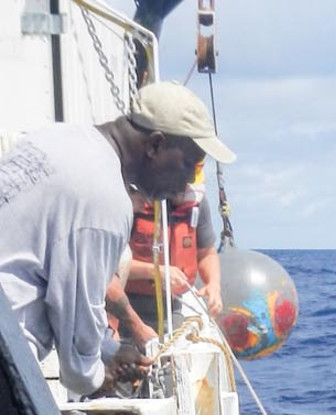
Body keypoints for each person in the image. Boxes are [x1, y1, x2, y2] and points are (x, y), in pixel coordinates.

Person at [0, 82, 234, 397]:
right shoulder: (104, 199)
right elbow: (78, 355)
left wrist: (109, 350)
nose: (190, 180)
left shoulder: (59, 138)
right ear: (155, 145)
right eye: (188, 164)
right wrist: (101, 375)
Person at [108, 162, 223, 347]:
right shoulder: (133, 202)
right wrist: (156, 272)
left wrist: (213, 285)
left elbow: (207, 252)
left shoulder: (196, 204)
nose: (181, 194)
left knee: (172, 359)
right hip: (124, 306)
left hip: (173, 307)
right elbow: (110, 265)